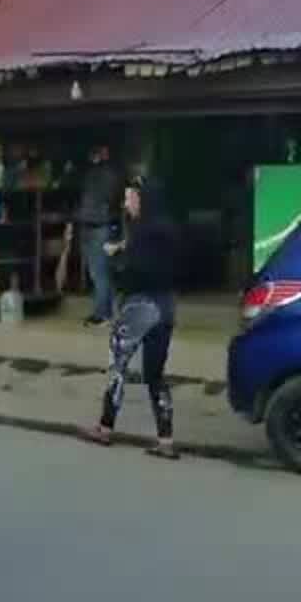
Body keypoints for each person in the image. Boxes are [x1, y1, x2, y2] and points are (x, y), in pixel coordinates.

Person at [80, 174, 181, 459]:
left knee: (118, 365)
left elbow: (133, 272)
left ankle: (105, 427)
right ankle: (166, 439)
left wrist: (116, 261)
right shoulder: (171, 229)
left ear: (143, 200)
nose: (126, 204)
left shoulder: (143, 232)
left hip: (140, 305)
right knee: (155, 374)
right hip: (167, 306)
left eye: (130, 198)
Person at [67, 144, 123, 326]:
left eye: (99, 152)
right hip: (90, 225)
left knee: (99, 273)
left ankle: (102, 314)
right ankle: (114, 311)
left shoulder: (108, 174)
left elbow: (106, 197)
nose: (95, 155)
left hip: (100, 226)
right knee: (100, 272)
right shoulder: (90, 173)